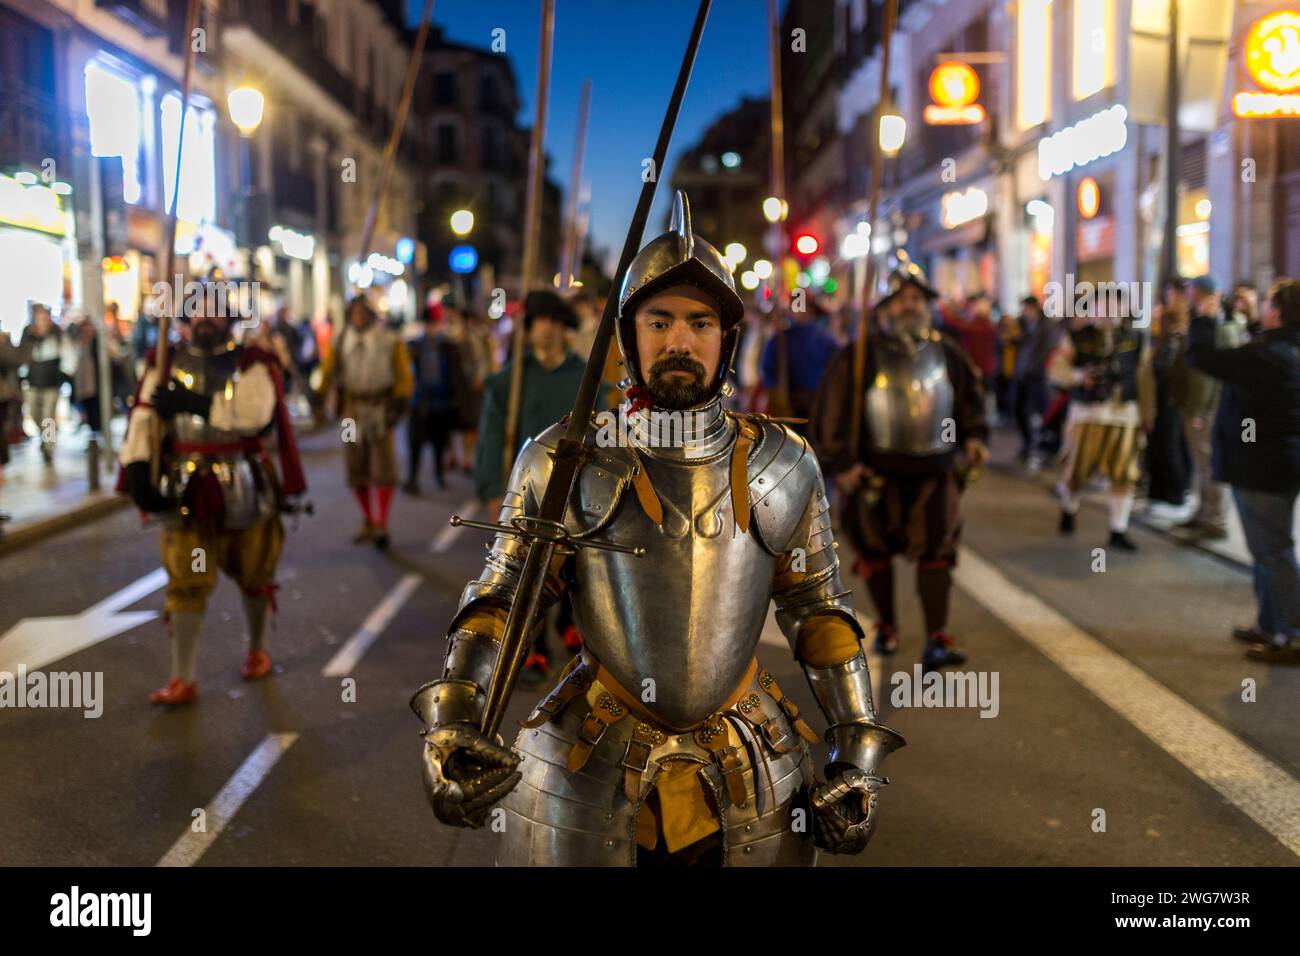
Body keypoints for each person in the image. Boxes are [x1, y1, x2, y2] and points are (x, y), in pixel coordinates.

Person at [411, 191, 904, 867]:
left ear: (726, 340)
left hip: (752, 766)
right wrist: (453, 720)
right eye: (659, 320)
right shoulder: (565, 456)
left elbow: (817, 609)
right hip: (588, 764)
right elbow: (504, 601)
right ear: (627, 336)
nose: (679, 341)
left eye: (701, 322)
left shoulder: (783, 461)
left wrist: (858, 750)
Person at [117, 283, 306, 704]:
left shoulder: (251, 362)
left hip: (243, 479)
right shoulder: (165, 362)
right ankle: (182, 677)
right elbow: (144, 419)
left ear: (229, 318)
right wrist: (137, 471)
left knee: (254, 570)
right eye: (198, 311)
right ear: (187, 318)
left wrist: (196, 404)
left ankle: (257, 650)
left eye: (214, 311)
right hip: (183, 483)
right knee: (185, 578)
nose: (205, 318)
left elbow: (254, 416)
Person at [811, 258, 989, 670]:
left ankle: (936, 638)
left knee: (938, 550)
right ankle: (888, 626)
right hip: (874, 474)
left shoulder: (947, 352)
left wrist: (975, 437)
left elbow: (970, 400)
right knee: (874, 551)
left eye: (917, 299)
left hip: (935, 471)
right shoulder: (858, 356)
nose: (911, 305)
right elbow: (832, 411)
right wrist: (842, 463)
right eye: (901, 299)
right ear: (884, 308)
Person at [1187, 280, 1300, 665]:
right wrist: (1248, 320)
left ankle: (1292, 634)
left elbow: (1206, 359)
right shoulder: (1282, 349)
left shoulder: (1271, 356)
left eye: (1267, 303)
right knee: (1266, 551)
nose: (1261, 307)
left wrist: (1203, 318)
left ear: (1278, 312)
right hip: (1271, 465)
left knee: (1274, 552)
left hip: (1263, 469)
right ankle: (1270, 625)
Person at [1049, 289, 1155, 551]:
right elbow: (1056, 370)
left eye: (1115, 306)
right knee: (1076, 469)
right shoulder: (1076, 337)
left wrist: (1147, 416)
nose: (1109, 312)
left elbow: (1145, 380)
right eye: (1103, 306)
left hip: (1124, 415)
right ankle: (1068, 509)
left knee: (1124, 474)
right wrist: (1079, 376)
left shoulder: (1137, 339)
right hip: (1087, 414)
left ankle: (1118, 529)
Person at [319, 296, 412, 548]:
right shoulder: (339, 341)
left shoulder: (390, 340)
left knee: (383, 466)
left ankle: (382, 523)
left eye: (363, 312)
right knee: (354, 465)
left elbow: (403, 377)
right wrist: (319, 396)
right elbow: (327, 373)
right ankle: (369, 519)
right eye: (355, 312)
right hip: (350, 412)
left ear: (371, 315)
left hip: (380, 409)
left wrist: (400, 403)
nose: (358, 317)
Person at [1172, 275, 1242, 538]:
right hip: (1200, 404)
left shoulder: (1215, 322)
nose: (1187, 296)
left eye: (1190, 291)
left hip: (1206, 407)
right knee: (1202, 463)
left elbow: (1209, 372)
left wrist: (1199, 409)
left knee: (1208, 462)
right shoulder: (1207, 319)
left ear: (1200, 293)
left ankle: (1215, 519)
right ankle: (1202, 512)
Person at [405, 304, 467, 493]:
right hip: (420, 400)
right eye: (427, 323)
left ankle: (439, 475)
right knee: (415, 442)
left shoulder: (447, 346)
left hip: (440, 400)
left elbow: (456, 374)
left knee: (439, 442)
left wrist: (455, 397)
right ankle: (412, 479)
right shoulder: (414, 346)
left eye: (432, 323)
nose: (429, 327)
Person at [1146, 286, 1192, 515]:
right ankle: (1161, 493)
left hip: (1169, 402)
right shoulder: (1164, 342)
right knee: (1161, 446)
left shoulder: (1174, 343)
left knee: (1169, 446)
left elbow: (1168, 372)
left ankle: (1175, 494)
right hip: (1163, 401)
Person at [759, 299, 840, 429]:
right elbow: (768, 371)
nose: (800, 312)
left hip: (818, 406)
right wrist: (776, 395)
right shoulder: (780, 339)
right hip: (787, 405)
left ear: (813, 311)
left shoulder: (826, 342)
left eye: (804, 308)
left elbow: (835, 374)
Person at [1012, 295, 1061, 470]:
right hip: (1023, 376)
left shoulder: (1048, 326)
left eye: (1026, 309)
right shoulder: (1024, 325)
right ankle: (1029, 446)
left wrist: (1034, 368)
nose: (1023, 313)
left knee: (1041, 414)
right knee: (1020, 411)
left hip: (1039, 377)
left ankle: (1043, 450)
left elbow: (1047, 351)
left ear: (1034, 308)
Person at [20, 304, 63, 465]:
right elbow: (22, 353)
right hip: (32, 381)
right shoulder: (28, 331)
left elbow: (65, 351)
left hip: (51, 382)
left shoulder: (56, 331)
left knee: (48, 417)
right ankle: (44, 437)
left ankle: (48, 449)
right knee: (33, 413)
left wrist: (63, 375)